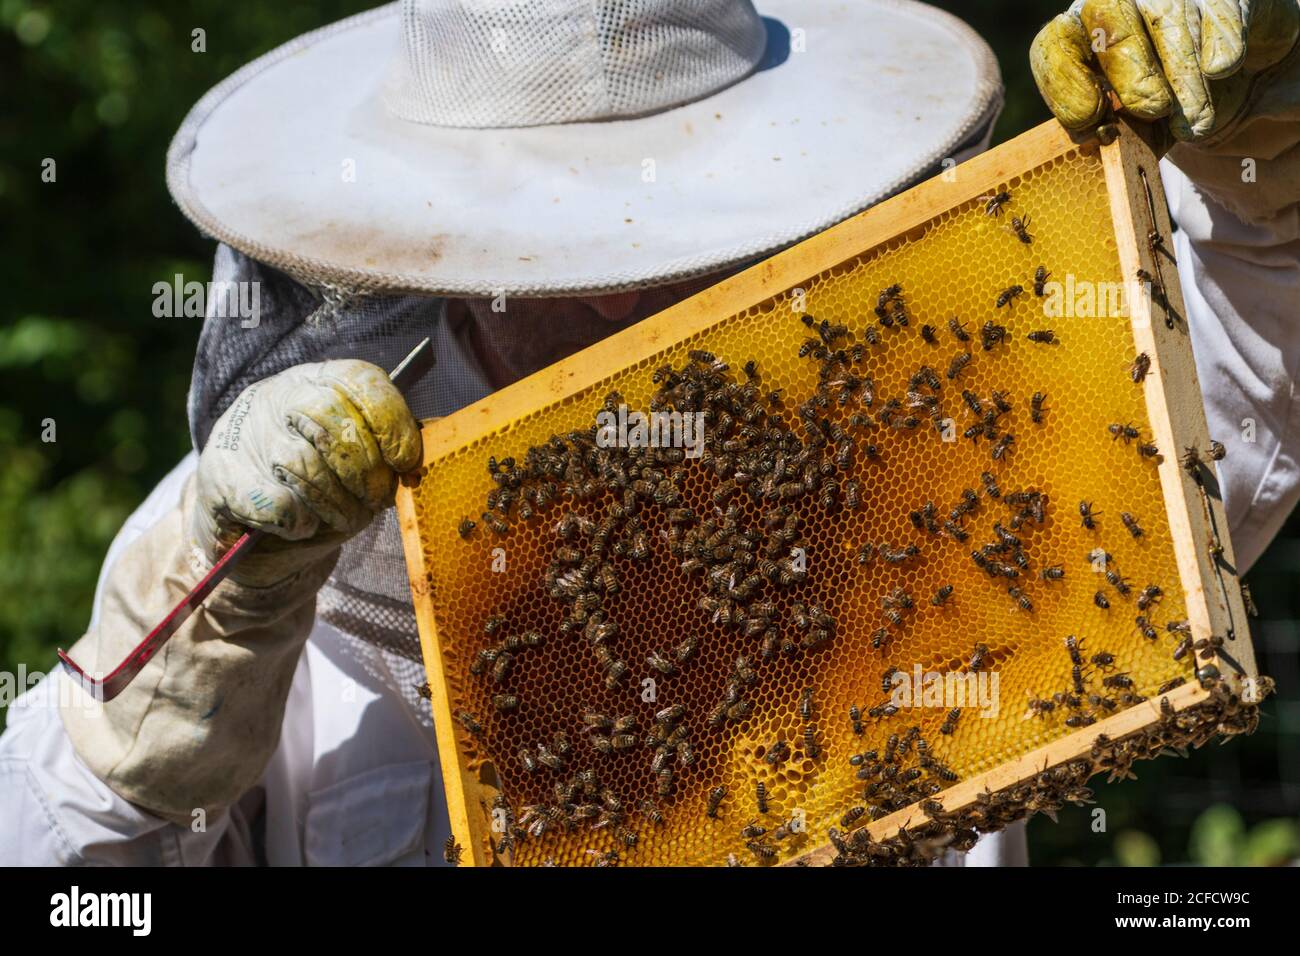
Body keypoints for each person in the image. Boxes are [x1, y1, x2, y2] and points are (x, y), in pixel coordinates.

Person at [1, 0, 1296, 866]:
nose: (616, 298)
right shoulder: (279, 514)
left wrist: (1261, 148)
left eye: (668, 236)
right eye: (553, 249)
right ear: (428, 247)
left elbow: (1217, 401)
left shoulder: (923, 444)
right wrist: (184, 667)